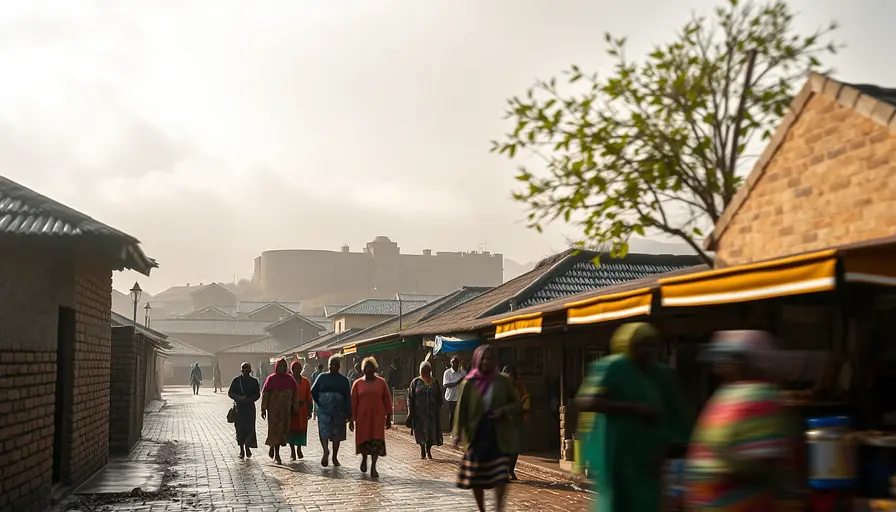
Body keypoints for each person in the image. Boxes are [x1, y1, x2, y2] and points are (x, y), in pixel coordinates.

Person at [574, 322, 690, 512]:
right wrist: (632, 408)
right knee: (617, 502)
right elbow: (586, 401)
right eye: (642, 345)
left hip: (651, 460)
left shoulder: (663, 376)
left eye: (652, 345)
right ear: (629, 345)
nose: (648, 350)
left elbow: (676, 419)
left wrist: (666, 452)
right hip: (617, 456)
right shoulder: (613, 368)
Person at [685, 330, 799, 511]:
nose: (719, 365)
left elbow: (764, 459)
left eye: (729, 358)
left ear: (749, 362)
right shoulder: (728, 393)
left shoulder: (762, 396)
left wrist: (724, 470)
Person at [453, 344, 521, 512]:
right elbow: (461, 409)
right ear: (477, 360)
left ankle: (498, 508)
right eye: (483, 358)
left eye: (490, 358)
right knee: (476, 477)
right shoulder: (468, 382)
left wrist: (503, 411)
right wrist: (458, 433)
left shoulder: (502, 381)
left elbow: (516, 403)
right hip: (476, 433)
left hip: (497, 432)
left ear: (495, 361)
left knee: (500, 474)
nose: (486, 361)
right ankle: (481, 508)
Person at [349, 357, 392, 478]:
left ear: (374, 369)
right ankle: (364, 459)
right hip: (362, 419)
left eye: (371, 367)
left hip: (377, 418)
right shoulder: (357, 384)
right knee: (364, 440)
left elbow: (387, 399)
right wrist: (351, 419)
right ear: (363, 369)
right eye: (366, 367)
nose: (369, 370)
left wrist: (388, 416)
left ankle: (373, 466)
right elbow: (353, 402)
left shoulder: (381, 382)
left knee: (376, 442)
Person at [311, 355, 352, 467]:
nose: (333, 367)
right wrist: (319, 402)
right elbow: (313, 390)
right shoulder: (322, 377)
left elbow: (348, 397)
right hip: (324, 411)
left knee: (336, 435)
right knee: (324, 432)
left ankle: (334, 456)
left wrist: (349, 413)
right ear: (328, 366)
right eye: (331, 364)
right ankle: (325, 451)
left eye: (335, 365)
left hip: (339, 412)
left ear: (339, 366)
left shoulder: (344, 380)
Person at [260, 358, 300, 465]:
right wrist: (263, 408)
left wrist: (295, 408)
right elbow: (265, 395)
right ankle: (277, 454)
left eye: (284, 366)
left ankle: (274, 446)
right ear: (276, 367)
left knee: (283, 432)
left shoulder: (290, 380)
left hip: (285, 412)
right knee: (274, 431)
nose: (282, 368)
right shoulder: (271, 379)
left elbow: (295, 395)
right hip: (273, 412)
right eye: (280, 366)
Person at [409, 360, 444, 460]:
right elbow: (410, 397)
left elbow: (439, 396)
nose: (426, 372)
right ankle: (422, 449)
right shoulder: (415, 382)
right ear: (421, 370)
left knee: (431, 433)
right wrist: (410, 412)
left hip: (432, 413)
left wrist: (439, 408)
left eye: (428, 370)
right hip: (419, 414)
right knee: (420, 433)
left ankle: (428, 449)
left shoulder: (435, 382)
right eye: (424, 370)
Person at [228, 362, 261, 459]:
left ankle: (247, 446)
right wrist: (239, 398)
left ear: (250, 370)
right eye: (243, 368)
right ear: (241, 369)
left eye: (247, 368)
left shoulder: (254, 381)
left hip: (250, 409)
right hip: (239, 409)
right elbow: (230, 393)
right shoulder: (236, 380)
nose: (245, 370)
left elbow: (257, 394)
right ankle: (242, 449)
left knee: (250, 429)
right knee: (239, 430)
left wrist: (249, 400)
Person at [503, 365, 530, 480]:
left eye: (512, 376)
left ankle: (511, 470)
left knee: (515, 447)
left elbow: (526, 399)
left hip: (516, 419)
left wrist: (524, 411)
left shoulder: (519, 386)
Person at [288, 360, 314, 460]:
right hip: (292, 409)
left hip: (303, 409)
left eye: (299, 368)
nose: (298, 370)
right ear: (292, 370)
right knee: (291, 430)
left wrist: (310, 409)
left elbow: (308, 396)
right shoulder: (289, 381)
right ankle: (292, 451)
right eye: (295, 369)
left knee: (301, 429)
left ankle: (299, 448)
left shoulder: (306, 381)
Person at [443, 356, 466, 436]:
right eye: (453, 362)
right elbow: (446, 385)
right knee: (452, 414)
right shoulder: (447, 373)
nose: (455, 363)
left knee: (460, 414)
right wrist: (457, 382)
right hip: (451, 397)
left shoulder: (463, 372)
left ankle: (460, 431)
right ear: (450, 363)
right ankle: (452, 431)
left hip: (460, 396)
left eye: (457, 362)